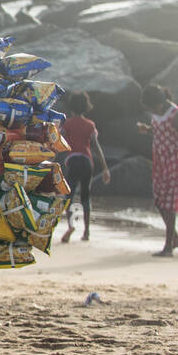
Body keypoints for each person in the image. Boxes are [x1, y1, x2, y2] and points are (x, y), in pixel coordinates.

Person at [137, 84, 178, 257]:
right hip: (160, 162)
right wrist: (148, 130)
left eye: (151, 107)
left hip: (174, 161)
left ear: (159, 103)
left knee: (169, 205)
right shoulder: (157, 112)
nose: (151, 110)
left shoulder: (176, 115)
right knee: (159, 200)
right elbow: (160, 130)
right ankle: (174, 238)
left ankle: (168, 246)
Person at [60, 91, 109, 242]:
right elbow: (96, 146)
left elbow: (58, 140)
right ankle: (86, 232)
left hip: (73, 161)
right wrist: (105, 168)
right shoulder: (90, 125)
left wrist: (49, 158)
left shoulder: (67, 123)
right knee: (85, 197)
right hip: (87, 162)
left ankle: (70, 226)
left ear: (71, 106)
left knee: (68, 196)